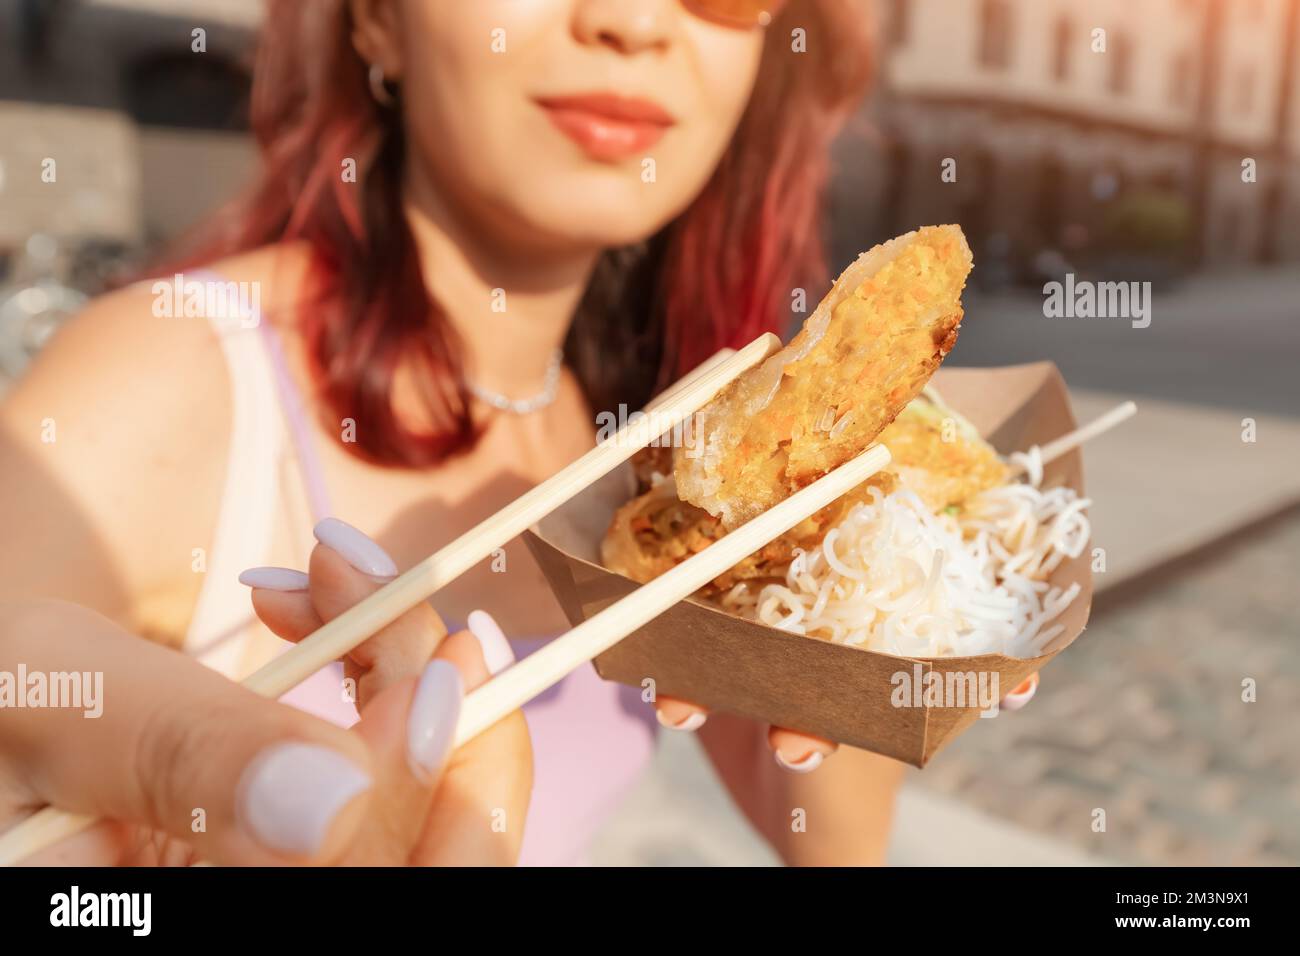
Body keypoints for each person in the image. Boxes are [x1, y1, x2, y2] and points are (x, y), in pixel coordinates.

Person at [0, 0, 1038, 866]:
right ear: (376, 24)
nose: (632, 22)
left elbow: (821, 842)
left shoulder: (657, 453)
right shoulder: (166, 374)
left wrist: (870, 611)